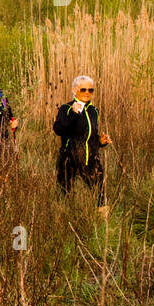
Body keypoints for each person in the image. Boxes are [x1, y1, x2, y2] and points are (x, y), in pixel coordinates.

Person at [53, 74, 112, 208]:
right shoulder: (66, 108)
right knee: (63, 193)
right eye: (83, 89)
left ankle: (102, 223)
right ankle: (60, 219)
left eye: (90, 90)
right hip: (69, 159)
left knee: (100, 194)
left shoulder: (94, 111)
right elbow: (58, 130)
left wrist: (101, 142)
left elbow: (90, 138)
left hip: (91, 159)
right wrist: (73, 113)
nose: (87, 93)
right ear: (74, 90)